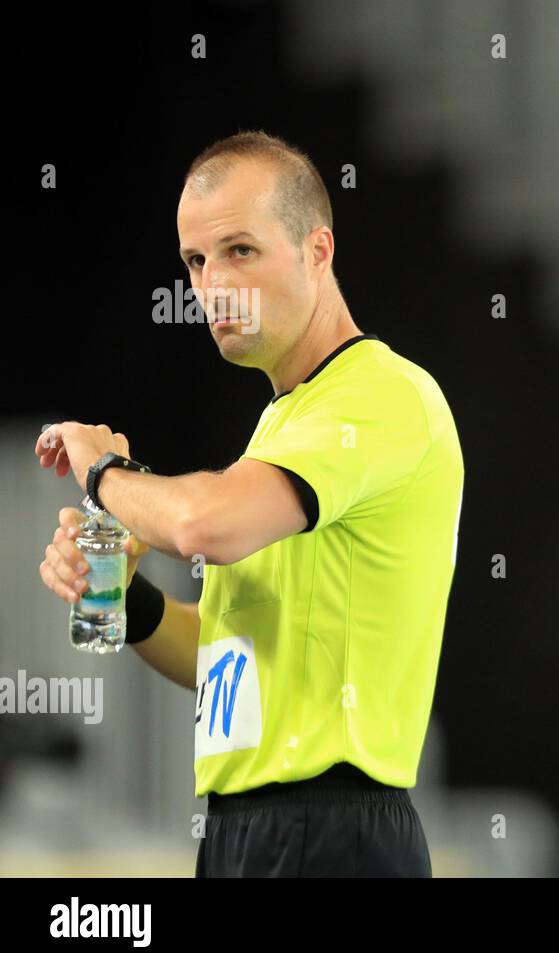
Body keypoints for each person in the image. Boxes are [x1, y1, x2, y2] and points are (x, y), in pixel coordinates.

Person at [35, 131, 464, 877]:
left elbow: (205, 524)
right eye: (196, 261)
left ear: (317, 250)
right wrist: (119, 596)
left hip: (332, 834)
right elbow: (227, 656)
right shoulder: (282, 424)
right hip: (246, 831)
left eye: (239, 250)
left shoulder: (383, 395)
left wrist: (105, 473)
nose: (212, 286)